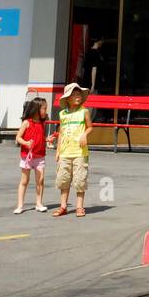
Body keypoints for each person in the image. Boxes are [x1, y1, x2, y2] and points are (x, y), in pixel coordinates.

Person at [48, 84, 93, 217]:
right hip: (65, 153)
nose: (78, 97)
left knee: (79, 181)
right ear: (67, 98)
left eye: (79, 95)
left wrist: (85, 134)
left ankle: (79, 207)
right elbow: (61, 132)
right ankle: (63, 206)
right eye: (74, 95)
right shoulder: (62, 114)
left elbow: (90, 127)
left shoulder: (84, 111)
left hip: (80, 152)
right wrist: (58, 151)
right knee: (63, 180)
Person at [14, 97, 49, 214]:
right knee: (24, 181)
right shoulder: (26, 122)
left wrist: (47, 139)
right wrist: (26, 143)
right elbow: (18, 137)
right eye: (44, 108)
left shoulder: (42, 123)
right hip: (27, 157)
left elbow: (40, 137)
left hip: (40, 156)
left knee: (40, 181)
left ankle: (39, 203)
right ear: (37, 109)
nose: (46, 111)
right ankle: (20, 205)